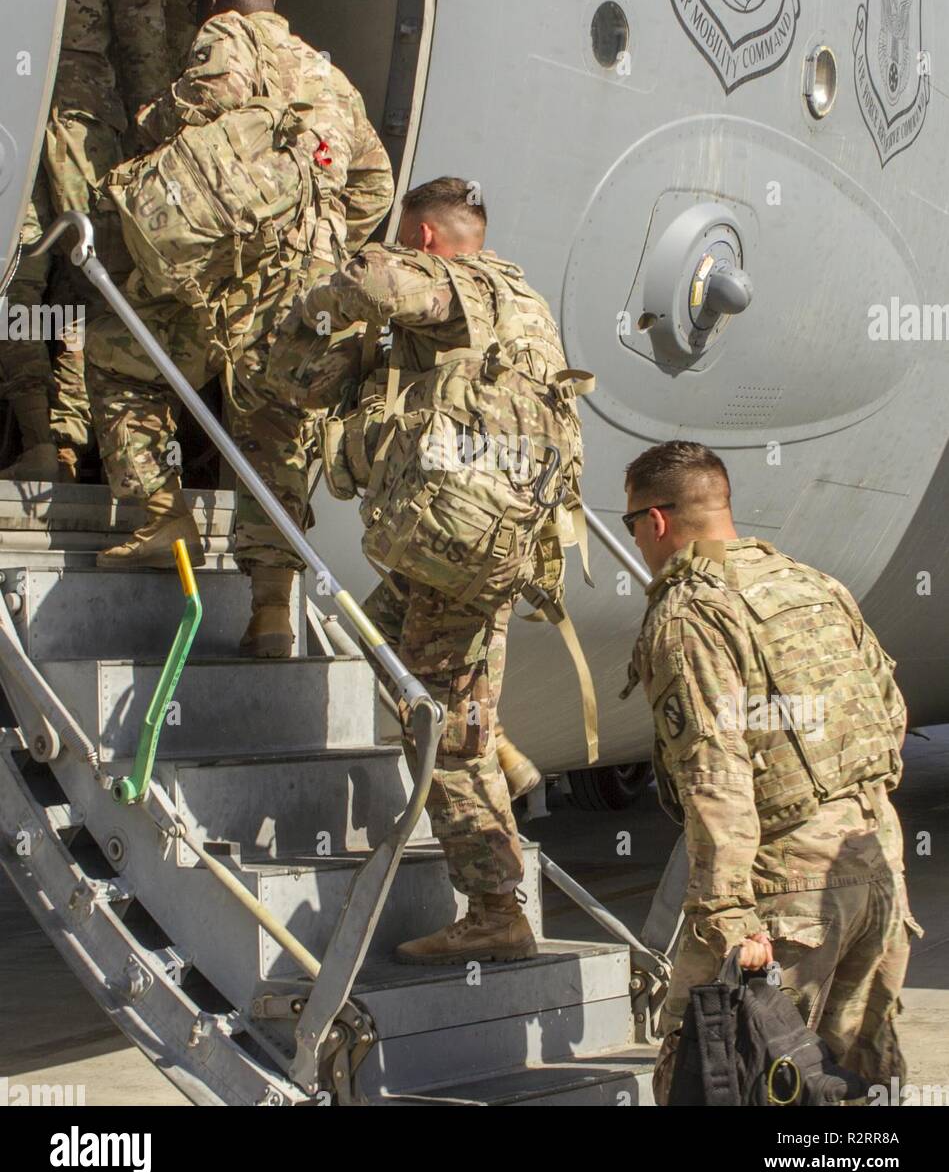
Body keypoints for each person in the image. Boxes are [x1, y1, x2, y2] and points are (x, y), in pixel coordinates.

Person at [279, 176, 588, 961]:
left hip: (455, 543)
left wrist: (305, 319)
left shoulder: (451, 282)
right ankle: (498, 743)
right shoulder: (521, 302)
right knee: (370, 640)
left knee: (439, 724)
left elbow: (367, 282)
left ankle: (494, 909)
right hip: (485, 537)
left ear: (422, 238)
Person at [85, 0, 393, 658]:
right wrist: (317, 236)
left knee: (114, 355)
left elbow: (207, 98)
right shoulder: (329, 75)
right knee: (274, 440)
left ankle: (161, 512)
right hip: (304, 295)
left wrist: (151, 117)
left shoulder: (227, 35)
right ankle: (271, 618)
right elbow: (374, 183)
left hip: (225, 281)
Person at [621, 440, 922, 1104]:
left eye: (629, 524)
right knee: (853, 1080)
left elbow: (713, 772)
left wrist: (728, 913)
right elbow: (888, 708)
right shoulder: (810, 582)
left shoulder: (689, 613)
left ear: (656, 521)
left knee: (729, 1071)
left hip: (786, 887)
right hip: (875, 860)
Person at [0, 0, 170, 481]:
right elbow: (146, 53)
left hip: (15, 123)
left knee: (16, 281)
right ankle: (72, 441)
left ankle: (38, 436)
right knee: (89, 282)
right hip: (86, 132)